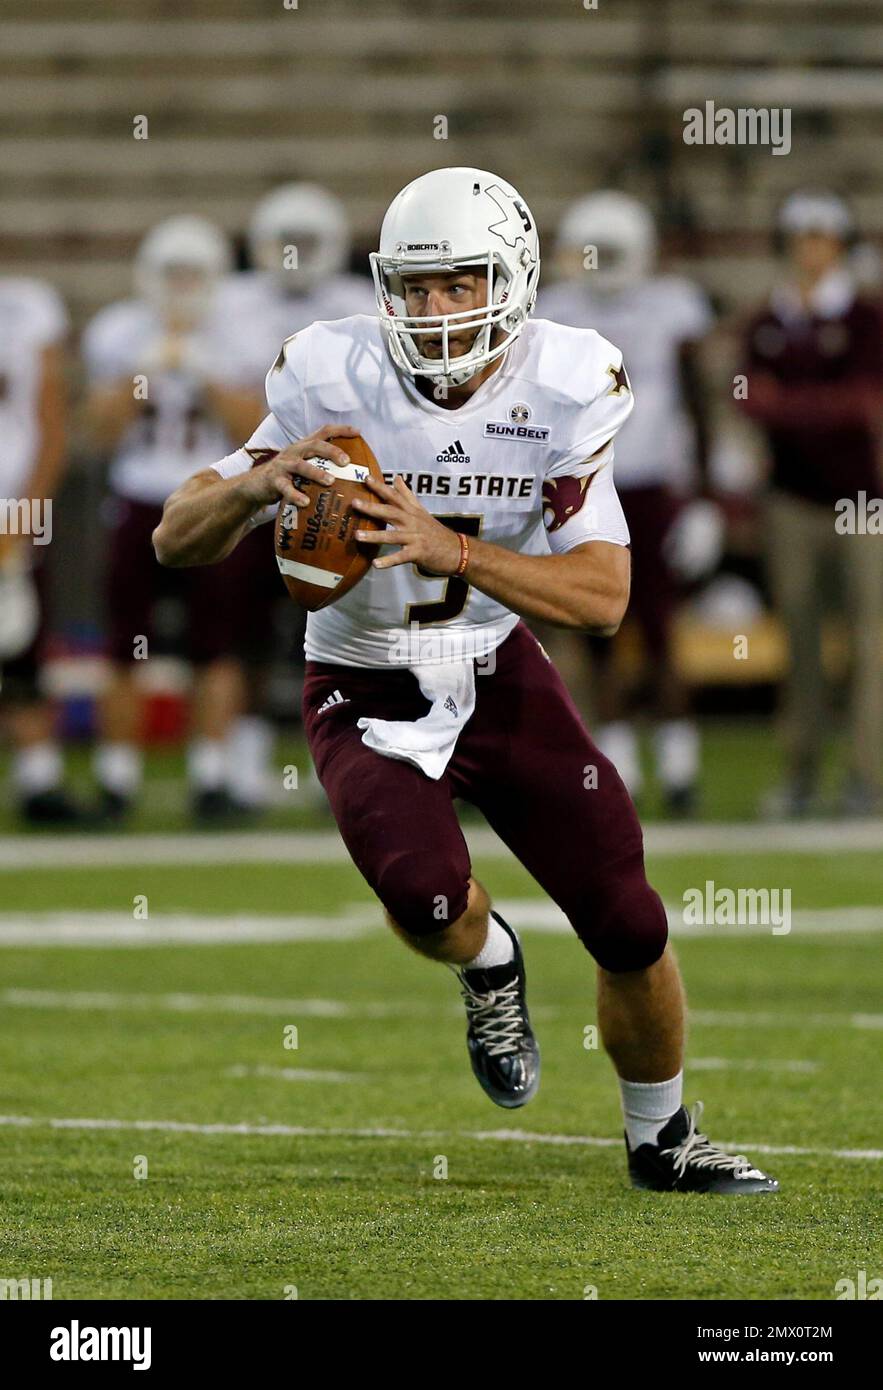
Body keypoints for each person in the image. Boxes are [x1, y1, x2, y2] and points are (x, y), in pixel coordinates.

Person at [154, 168, 777, 1194]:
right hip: (363, 680)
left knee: (627, 916)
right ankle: (490, 962)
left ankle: (661, 1138)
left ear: (516, 277)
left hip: (492, 663)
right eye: (416, 286)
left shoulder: (566, 379)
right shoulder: (329, 371)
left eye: (460, 284)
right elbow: (178, 536)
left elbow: (603, 594)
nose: (436, 311)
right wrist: (255, 488)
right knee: (427, 894)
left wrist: (455, 552)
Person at [539, 192, 719, 814]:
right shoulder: (555, 311)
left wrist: (705, 496)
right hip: (582, 486)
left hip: (649, 483)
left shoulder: (674, 306)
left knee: (661, 631)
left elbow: (699, 403)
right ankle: (616, 772)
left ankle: (678, 768)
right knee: (596, 634)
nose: (603, 264)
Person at [83, 216, 263, 824]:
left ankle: (212, 777)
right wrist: (144, 375)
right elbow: (100, 434)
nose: (182, 285)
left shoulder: (242, 333)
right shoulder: (120, 331)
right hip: (136, 497)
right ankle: (117, 778)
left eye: (193, 273)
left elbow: (257, 431)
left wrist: (207, 378)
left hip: (213, 499)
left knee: (215, 649)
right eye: (172, 273)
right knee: (123, 649)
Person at [212, 184, 376, 812]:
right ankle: (248, 768)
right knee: (247, 634)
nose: (295, 254)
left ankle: (358, 756)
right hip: (261, 479)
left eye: (306, 242)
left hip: (341, 491)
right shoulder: (233, 302)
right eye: (287, 242)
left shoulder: (359, 305)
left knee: (349, 629)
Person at [738, 190, 883, 817]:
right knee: (797, 638)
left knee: (869, 639)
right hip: (792, 500)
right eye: (803, 237)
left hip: (861, 499)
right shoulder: (767, 320)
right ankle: (800, 772)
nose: (812, 250)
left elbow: (864, 402)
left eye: (823, 237)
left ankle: (865, 775)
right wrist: (820, 409)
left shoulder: (865, 317)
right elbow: (749, 399)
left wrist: (789, 407)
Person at [0, 275, 84, 824]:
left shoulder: (27, 306)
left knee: (20, 652)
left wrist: (21, 525)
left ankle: (38, 776)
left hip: (11, 509)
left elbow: (52, 431)